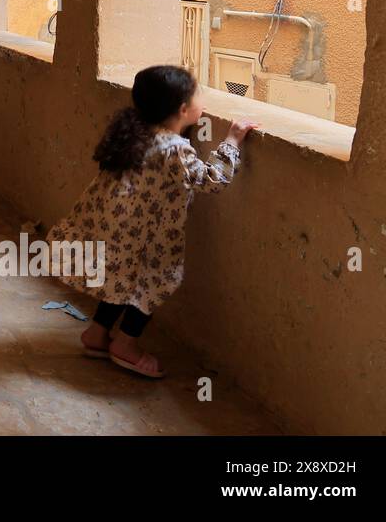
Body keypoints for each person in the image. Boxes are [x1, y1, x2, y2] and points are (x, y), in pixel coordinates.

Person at [46, 65, 258, 378]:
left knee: (121, 281)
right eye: (198, 96)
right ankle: (125, 345)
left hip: (117, 232)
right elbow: (211, 180)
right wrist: (232, 140)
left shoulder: (137, 132)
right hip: (148, 239)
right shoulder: (175, 150)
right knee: (152, 284)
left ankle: (97, 334)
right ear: (184, 110)